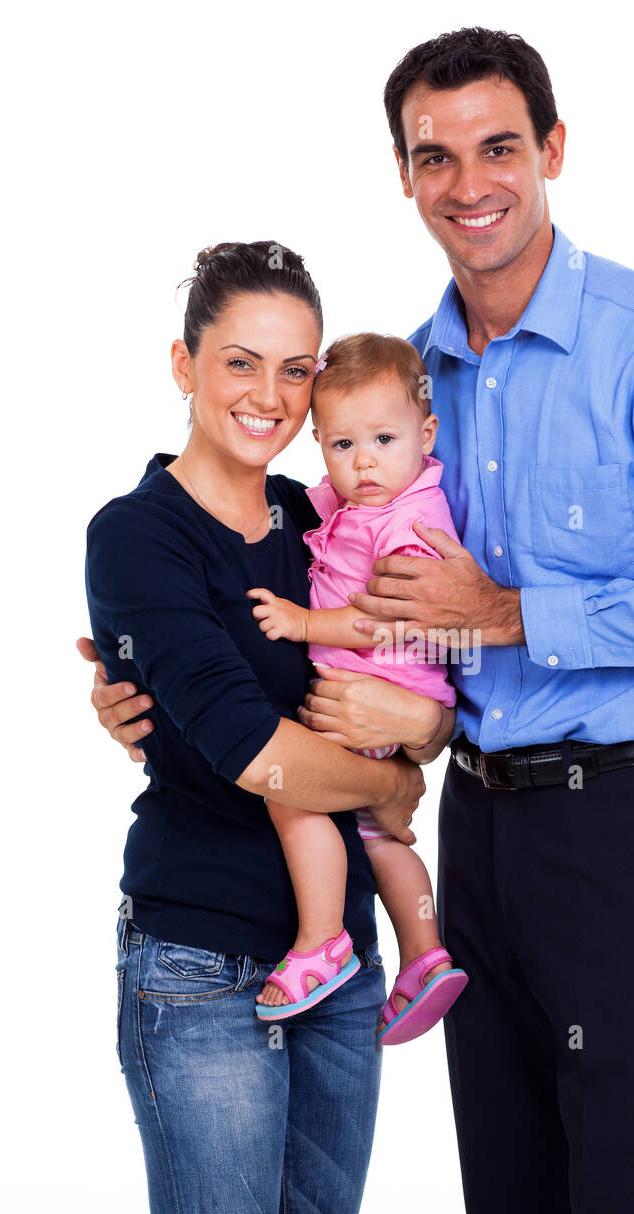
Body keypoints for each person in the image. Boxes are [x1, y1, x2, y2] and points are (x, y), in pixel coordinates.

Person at [82, 27, 634, 1214]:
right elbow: (287, 599)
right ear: (404, 175)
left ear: (553, 151)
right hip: (470, 822)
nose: (469, 181)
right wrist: (147, 693)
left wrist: (511, 612)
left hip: (631, 821)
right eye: (434, 154)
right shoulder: (405, 380)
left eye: (498, 146)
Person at [82, 240, 448, 1214]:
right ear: (183, 364)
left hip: (335, 967)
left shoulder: (315, 515)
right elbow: (253, 753)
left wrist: (417, 726)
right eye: (241, 362)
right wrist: (385, 785)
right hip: (201, 967)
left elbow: (413, 659)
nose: (270, 396)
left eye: (296, 370)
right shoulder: (137, 536)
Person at [248, 332, 468, 1043]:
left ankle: (322, 940)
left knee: (293, 792)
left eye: (382, 438)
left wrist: (301, 620)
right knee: (379, 833)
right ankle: (425, 955)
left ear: (425, 433)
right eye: (341, 445)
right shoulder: (353, 502)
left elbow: (382, 623)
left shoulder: (412, 519)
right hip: (378, 699)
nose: (364, 461)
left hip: (377, 690)